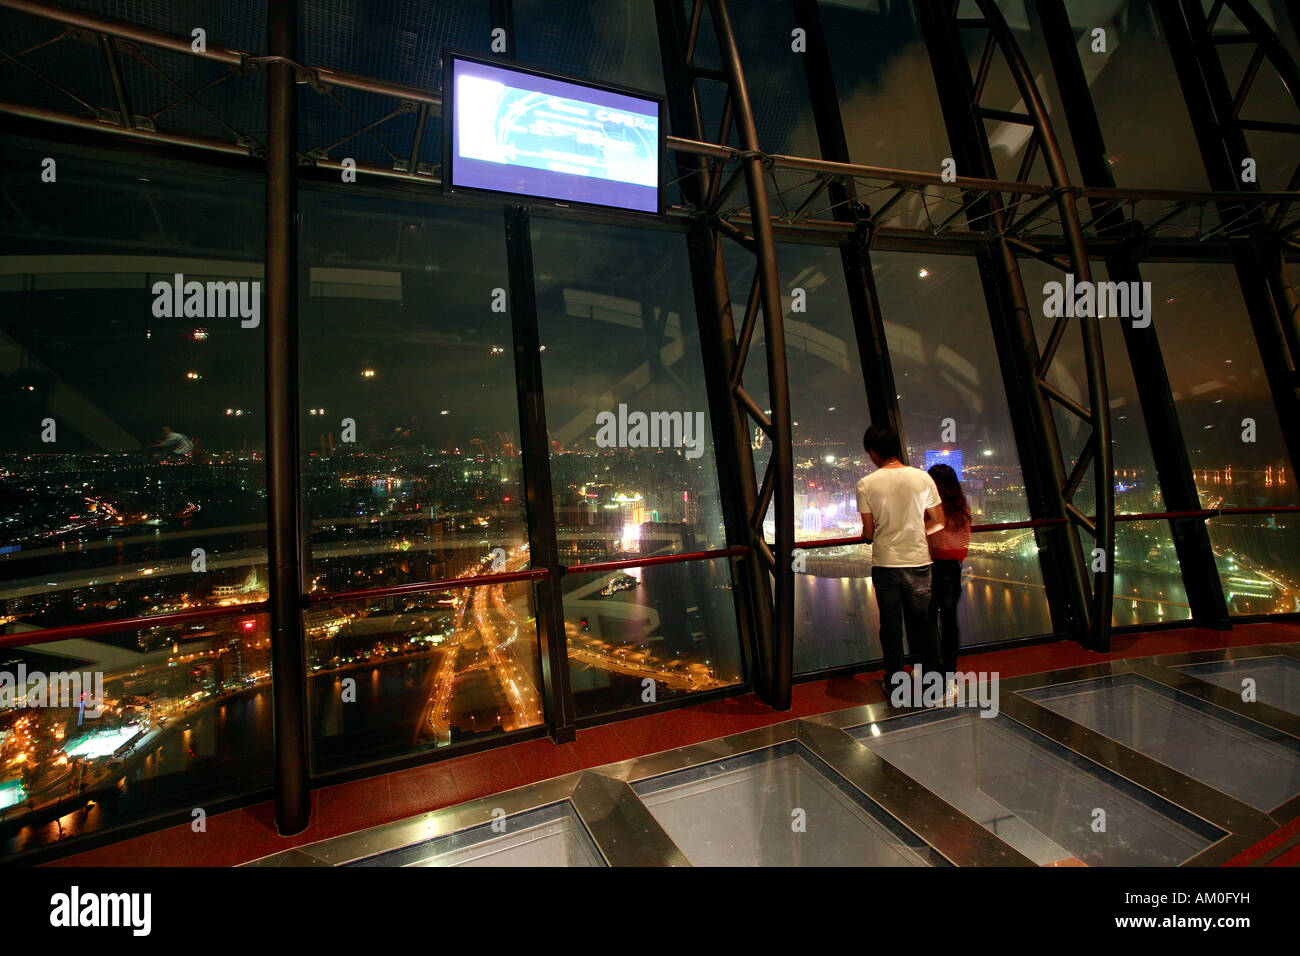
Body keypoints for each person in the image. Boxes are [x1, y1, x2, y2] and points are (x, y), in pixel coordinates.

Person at [856, 425, 945, 697]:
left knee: (891, 627)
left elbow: (869, 532)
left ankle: (895, 682)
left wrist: (870, 536)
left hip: (886, 565)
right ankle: (933, 680)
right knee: (926, 624)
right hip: (918, 562)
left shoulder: (866, 484)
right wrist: (916, 531)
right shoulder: (922, 478)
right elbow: (938, 521)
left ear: (873, 452)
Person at [927, 463, 971, 678]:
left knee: (927, 619)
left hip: (934, 567)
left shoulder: (933, 511)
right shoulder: (963, 509)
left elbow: (927, 537)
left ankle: (932, 666)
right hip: (954, 568)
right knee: (949, 620)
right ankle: (949, 668)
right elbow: (963, 545)